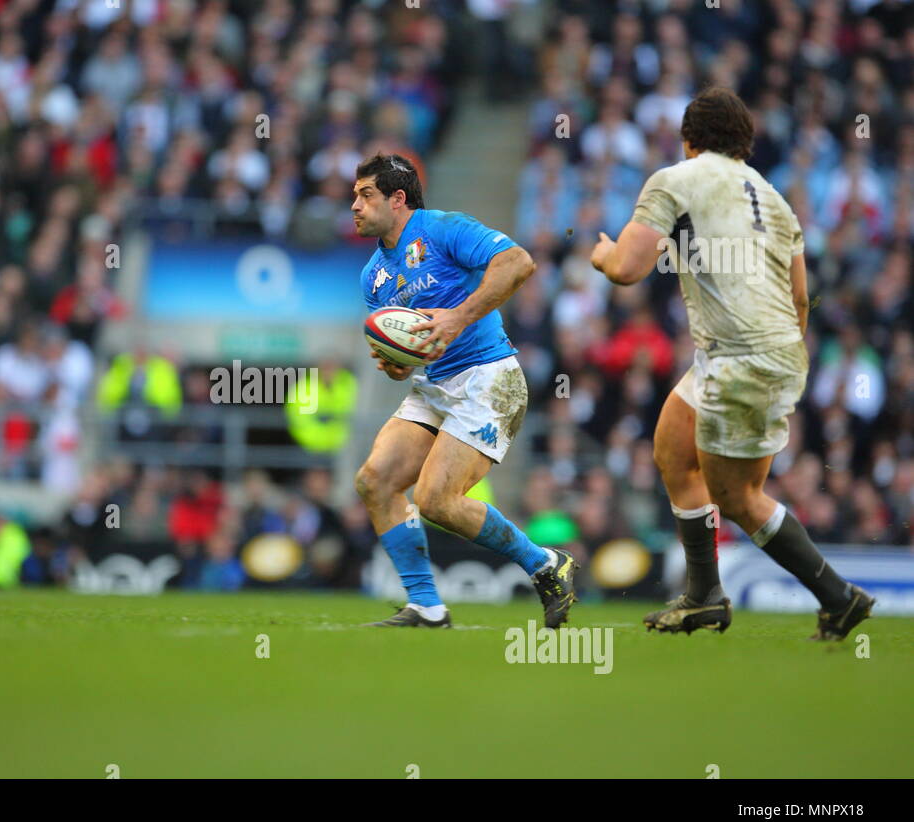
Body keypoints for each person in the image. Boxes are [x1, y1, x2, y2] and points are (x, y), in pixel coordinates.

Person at [590, 87, 874, 640]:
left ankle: (837, 597)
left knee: (738, 498)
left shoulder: (676, 178)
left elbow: (626, 269)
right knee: (674, 449)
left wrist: (602, 253)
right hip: (756, 350)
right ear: (744, 142)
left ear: (689, 140)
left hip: (742, 359)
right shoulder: (775, 199)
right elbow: (799, 299)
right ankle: (704, 594)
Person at [352, 153, 577, 629]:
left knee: (435, 500)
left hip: (489, 378)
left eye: (365, 195)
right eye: (354, 195)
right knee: (375, 480)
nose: (354, 205)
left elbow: (518, 261)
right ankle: (427, 606)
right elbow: (401, 361)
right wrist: (395, 364)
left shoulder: (443, 229)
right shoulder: (372, 274)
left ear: (397, 200)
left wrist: (458, 317)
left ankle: (545, 563)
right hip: (433, 385)